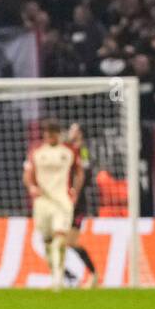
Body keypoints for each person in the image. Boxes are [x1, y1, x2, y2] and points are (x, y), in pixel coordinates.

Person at [24, 119, 82, 292]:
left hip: (62, 201)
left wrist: (75, 191)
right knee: (48, 241)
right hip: (42, 202)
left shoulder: (69, 151)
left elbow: (79, 172)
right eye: (48, 132)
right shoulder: (37, 152)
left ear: (58, 133)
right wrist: (32, 187)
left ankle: (58, 278)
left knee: (60, 239)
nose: (50, 135)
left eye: (53, 132)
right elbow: (28, 175)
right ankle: (55, 275)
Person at [63, 123, 99, 288]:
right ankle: (69, 277)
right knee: (57, 241)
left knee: (69, 241)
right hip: (65, 200)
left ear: (80, 133)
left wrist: (76, 193)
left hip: (78, 202)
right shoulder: (67, 150)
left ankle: (92, 274)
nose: (70, 131)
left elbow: (85, 172)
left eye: (73, 129)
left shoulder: (82, 150)